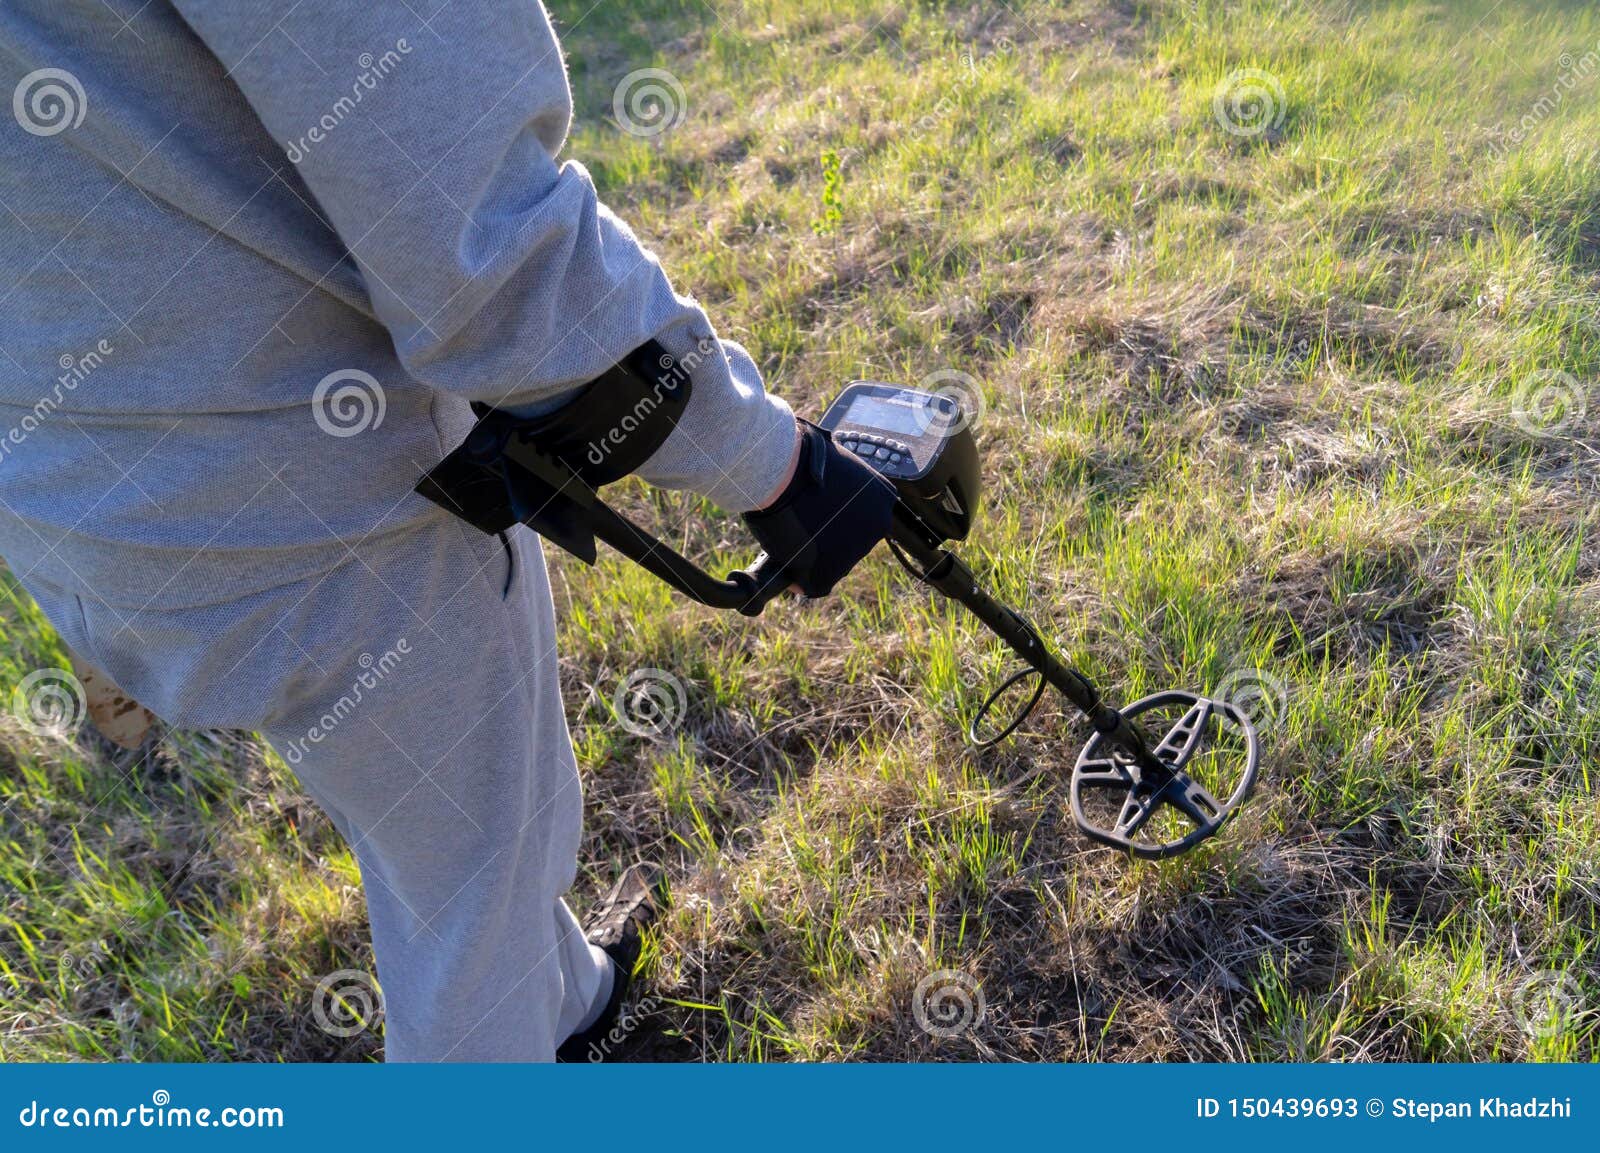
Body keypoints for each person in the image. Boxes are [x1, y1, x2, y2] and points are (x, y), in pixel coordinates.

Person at [0, 2, 892, 1061]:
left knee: (457, 837)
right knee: (469, 910)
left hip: (77, 491)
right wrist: (775, 462)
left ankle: (579, 1006)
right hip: (324, 510)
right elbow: (491, 248)